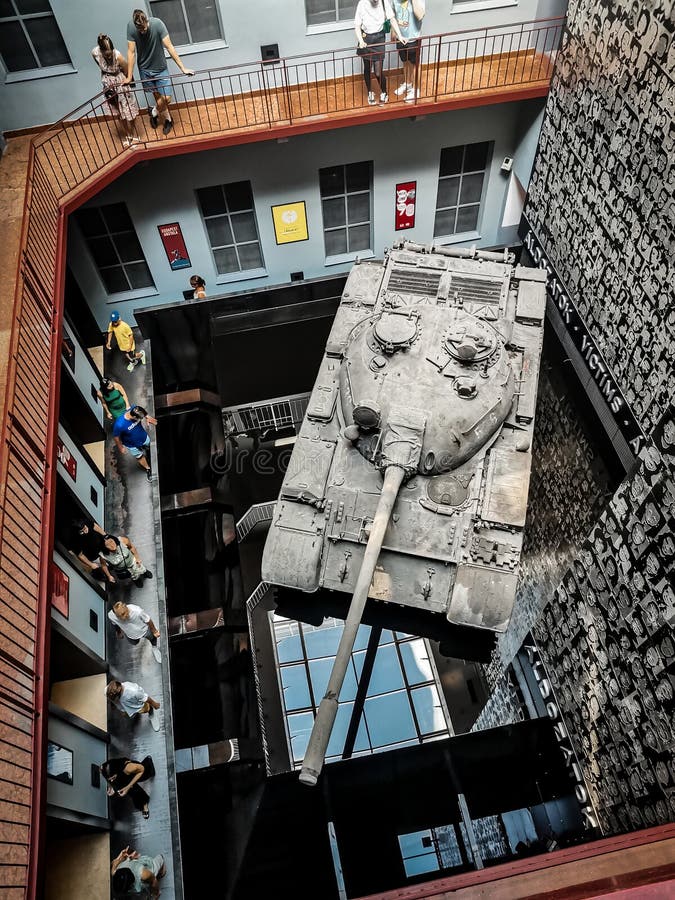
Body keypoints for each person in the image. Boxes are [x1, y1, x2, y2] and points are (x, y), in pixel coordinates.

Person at [125, 9, 195, 137]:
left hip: (160, 68)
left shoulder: (158, 24)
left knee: (166, 98)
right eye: (140, 30)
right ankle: (168, 120)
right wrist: (129, 76)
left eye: (144, 28)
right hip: (145, 69)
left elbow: (169, 47)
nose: (143, 32)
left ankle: (154, 112)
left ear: (147, 21)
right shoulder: (130, 27)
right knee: (157, 96)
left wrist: (183, 68)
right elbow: (131, 52)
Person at [91, 34, 141, 148]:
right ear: (101, 51)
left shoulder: (118, 56)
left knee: (129, 110)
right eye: (106, 54)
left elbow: (127, 70)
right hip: (108, 86)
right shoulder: (95, 53)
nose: (108, 57)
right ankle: (127, 134)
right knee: (118, 112)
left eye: (110, 53)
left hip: (120, 84)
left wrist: (127, 81)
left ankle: (132, 134)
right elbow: (99, 64)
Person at [355, 0, 402, 106]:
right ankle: (370, 92)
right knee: (367, 67)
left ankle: (384, 93)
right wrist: (361, 41)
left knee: (378, 72)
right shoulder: (362, 3)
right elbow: (357, 25)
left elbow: (392, 19)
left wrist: (400, 35)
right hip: (366, 38)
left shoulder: (384, 2)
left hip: (379, 38)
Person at [390, 0, 425, 101]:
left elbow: (420, 16)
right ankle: (408, 83)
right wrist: (393, 32)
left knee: (415, 64)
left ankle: (415, 91)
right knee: (405, 62)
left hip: (413, 38)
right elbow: (393, 15)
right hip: (400, 38)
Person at [113, 405, 157, 480]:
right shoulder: (119, 424)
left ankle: (148, 452)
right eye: (140, 418)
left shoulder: (135, 408)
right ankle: (148, 469)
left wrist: (148, 417)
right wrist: (120, 447)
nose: (141, 419)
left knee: (149, 446)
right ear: (133, 417)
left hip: (143, 436)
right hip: (131, 444)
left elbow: (143, 412)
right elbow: (116, 437)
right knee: (139, 456)